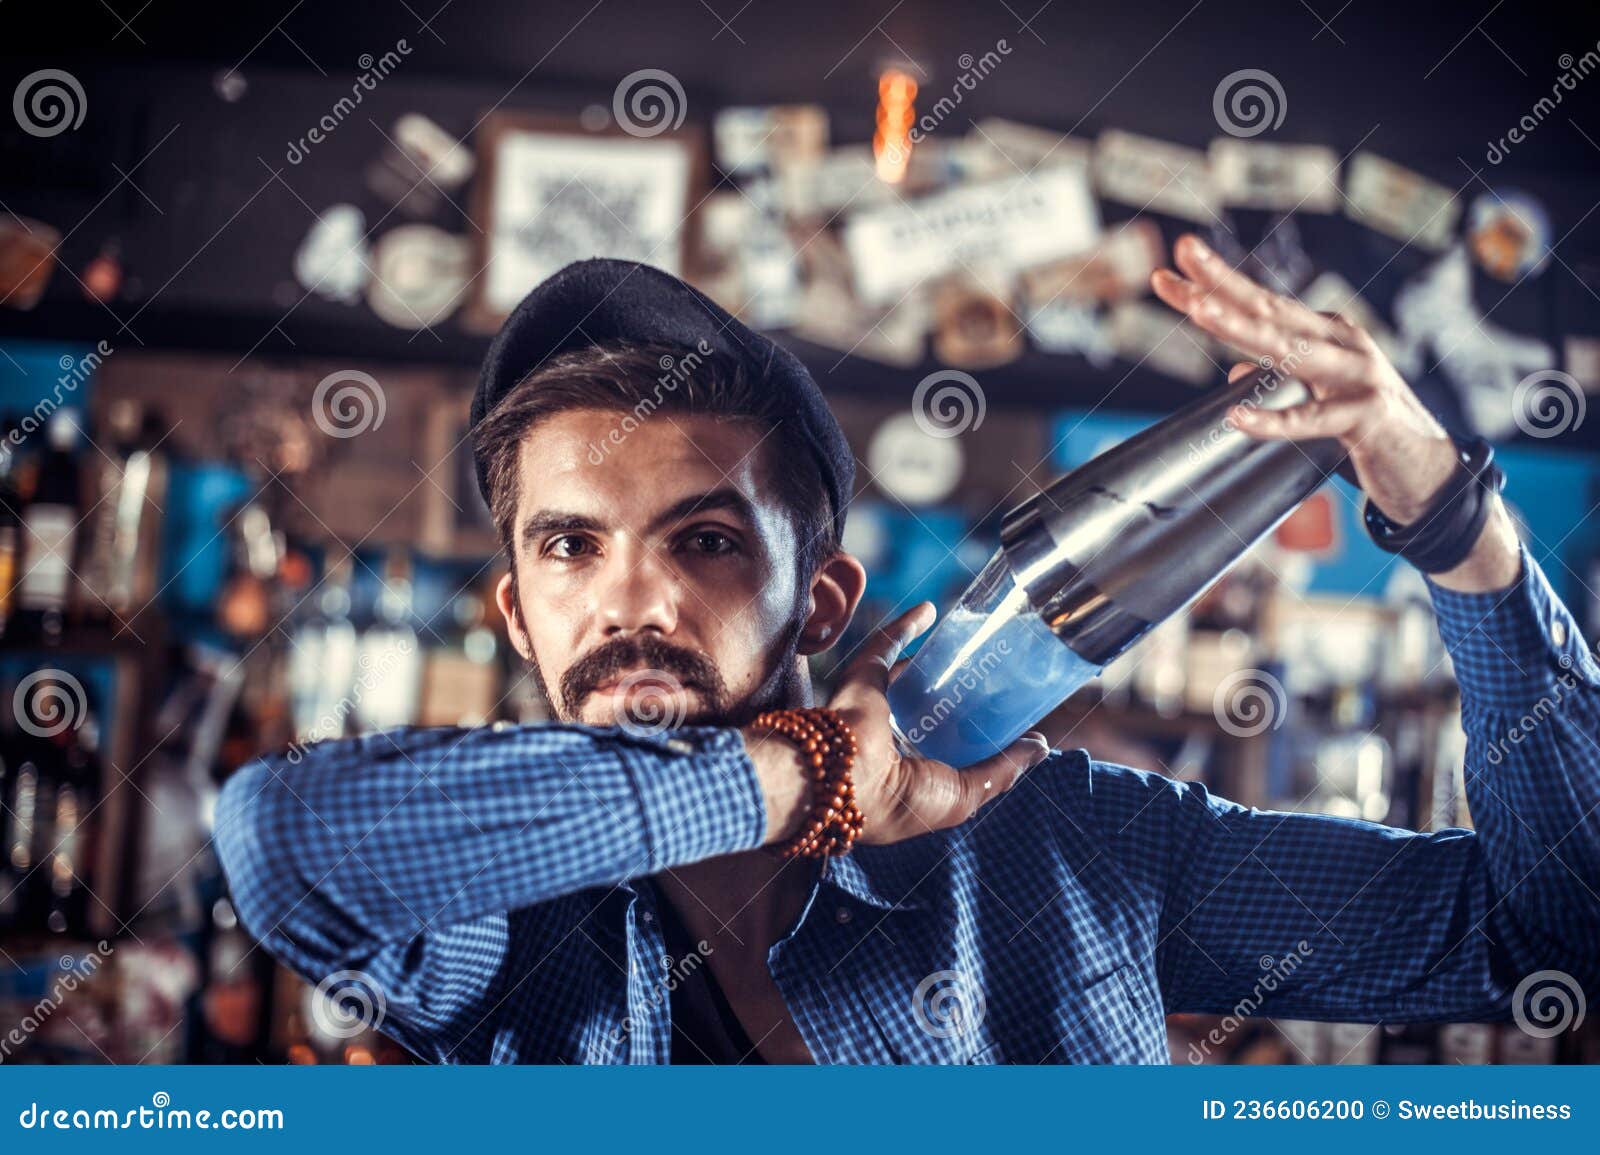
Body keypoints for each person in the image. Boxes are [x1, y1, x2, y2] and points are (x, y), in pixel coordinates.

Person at [214, 234, 1599, 1064]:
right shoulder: (497, 936)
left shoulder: (1073, 848)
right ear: (514, 612)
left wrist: (1461, 529)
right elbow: (282, 844)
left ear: (820, 602)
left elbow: (1546, 930)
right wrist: (806, 774)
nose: (629, 599)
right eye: (570, 546)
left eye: (703, 540)